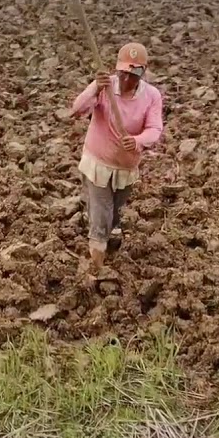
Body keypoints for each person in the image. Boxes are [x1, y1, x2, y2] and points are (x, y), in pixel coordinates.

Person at [68, 42, 165, 281]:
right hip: (98, 162)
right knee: (102, 212)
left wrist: (138, 140)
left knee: (115, 209)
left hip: (125, 166)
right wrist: (94, 89)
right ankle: (97, 266)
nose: (126, 79)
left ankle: (107, 230)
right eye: (123, 73)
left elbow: (154, 128)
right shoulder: (105, 87)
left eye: (134, 74)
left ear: (143, 74)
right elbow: (76, 110)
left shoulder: (151, 96)